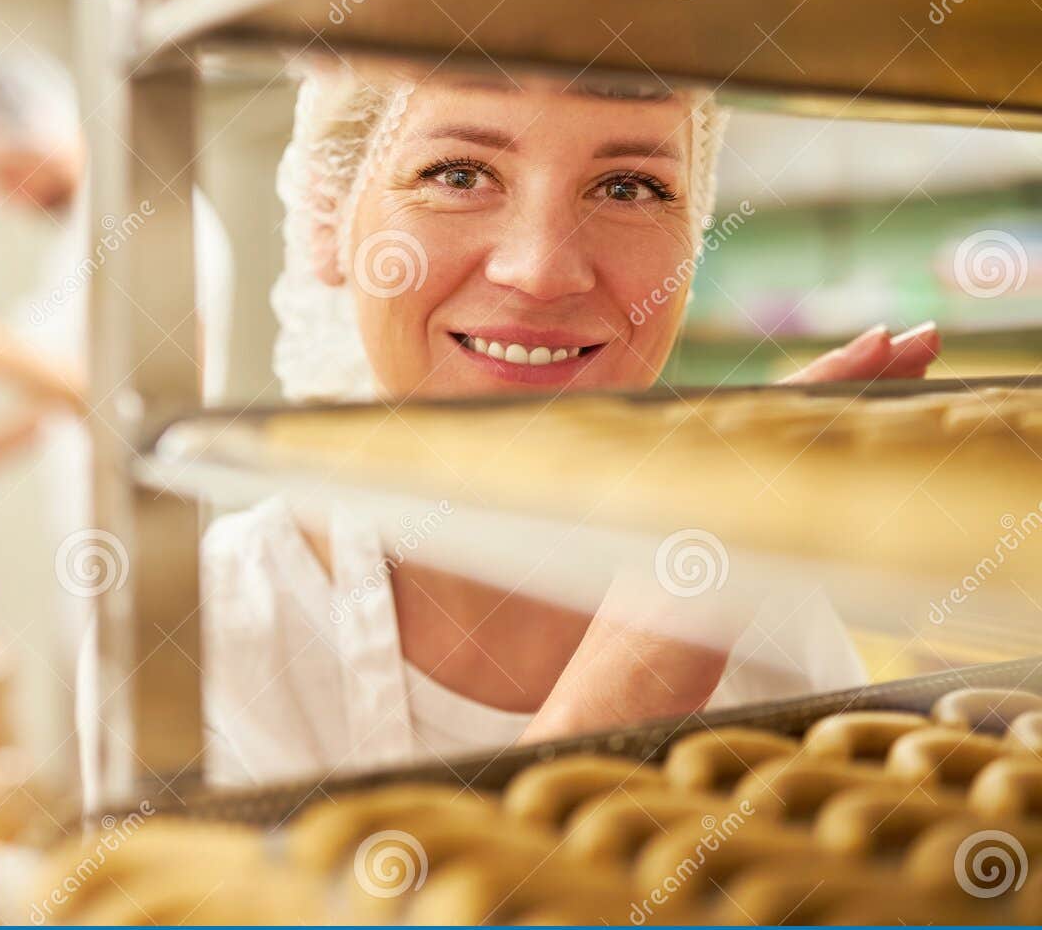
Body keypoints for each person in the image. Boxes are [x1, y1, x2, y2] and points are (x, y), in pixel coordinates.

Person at [133, 64, 940, 791]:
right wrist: (631, 681)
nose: (543, 270)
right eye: (459, 174)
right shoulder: (208, 638)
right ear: (328, 221)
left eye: (628, 187)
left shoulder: (759, 585)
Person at [0, 52, 234, 671]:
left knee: (147, 720)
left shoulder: (155, 218)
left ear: (44, 130)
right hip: (90, 533)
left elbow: (162, 396)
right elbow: (67, 392)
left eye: (7, 173)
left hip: (151, 533)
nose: (6, 198)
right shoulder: (74, 239)